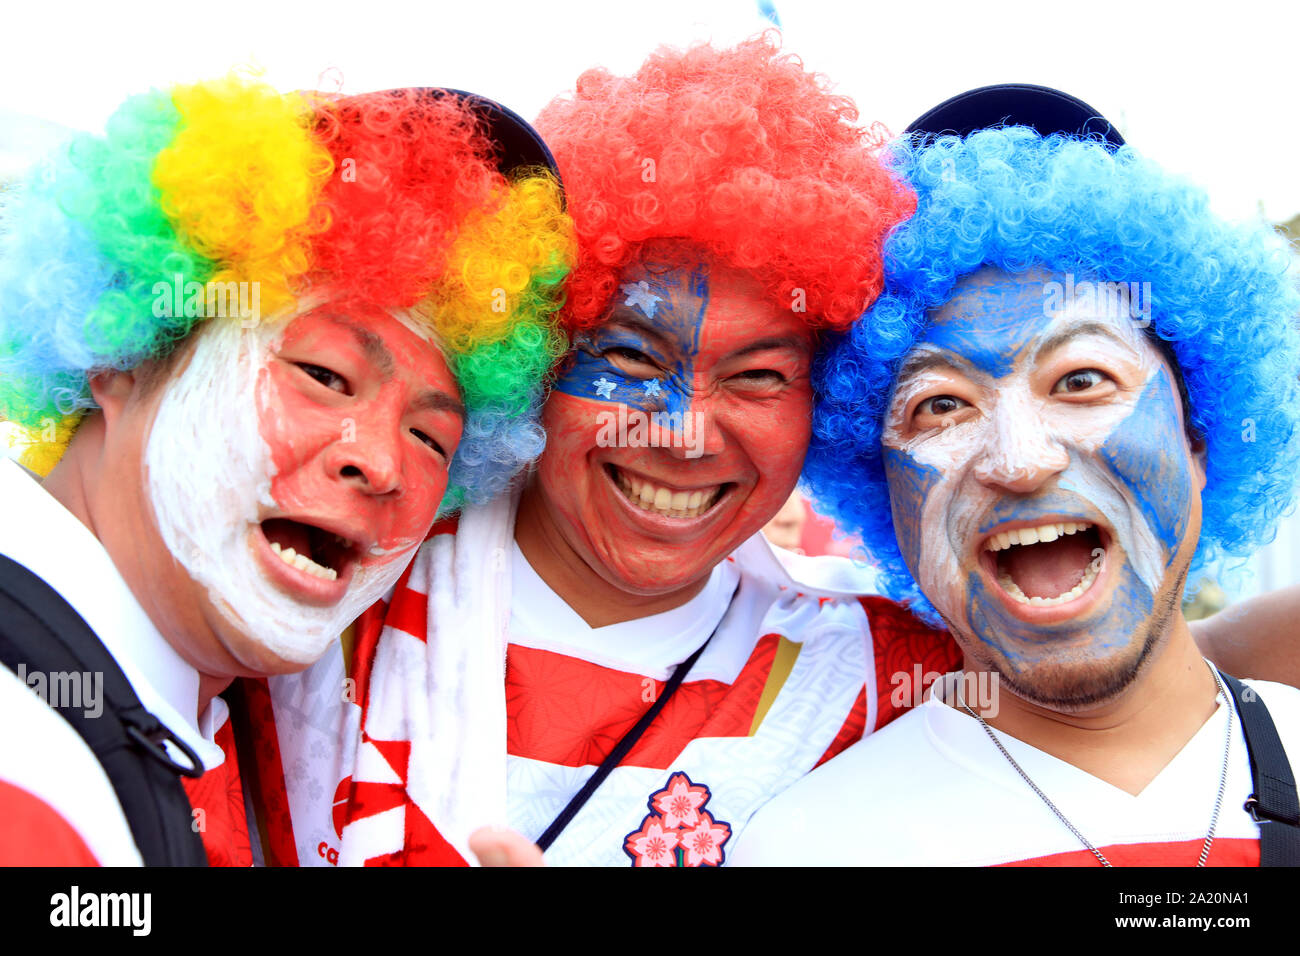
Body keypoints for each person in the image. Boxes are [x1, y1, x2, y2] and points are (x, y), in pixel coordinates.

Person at [244, 35, 956, 868]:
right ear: (538, 354)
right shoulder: (327, 579)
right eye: (627, 356)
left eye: (760, 375)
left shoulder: (886, 684)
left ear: (825, 404)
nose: (684, 434)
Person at [0, 76, 572, 865]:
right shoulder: (30, 761)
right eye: (323, 375)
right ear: (127, 354)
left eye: (431, 439)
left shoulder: (209, 729)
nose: (379, 463)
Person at [732, 86, 1300, 866]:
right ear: (885, 493)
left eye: (1080, 380)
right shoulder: (809, 848)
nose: (1020, 460)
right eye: (940, 406)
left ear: (1199, 438)